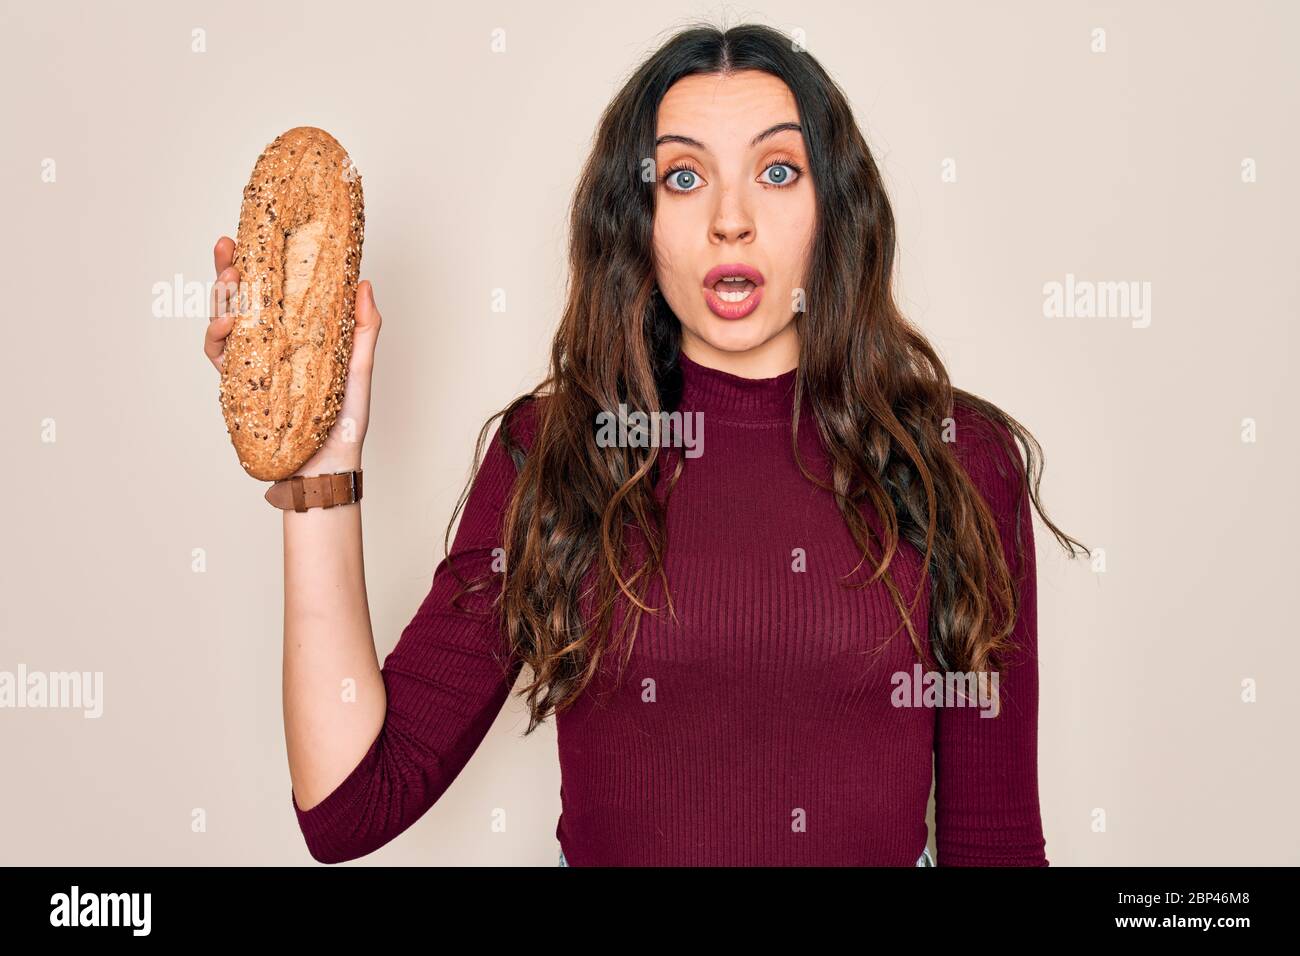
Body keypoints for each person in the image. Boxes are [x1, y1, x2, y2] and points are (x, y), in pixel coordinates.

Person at [204, 22, 1086, 867]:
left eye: (778, 170)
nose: (730, 220)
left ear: (835, 210)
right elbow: (352, 805)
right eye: (684, 178)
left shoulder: (958, 459)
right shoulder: (553, 454)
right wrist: (321, 468)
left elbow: (996, 849)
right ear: (638, 219)